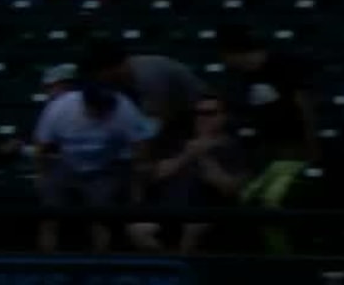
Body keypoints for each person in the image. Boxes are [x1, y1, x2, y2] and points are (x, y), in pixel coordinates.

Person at [217, 25, 320, 253]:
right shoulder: (245, 78)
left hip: (294, 149)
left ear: (233, 53)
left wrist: (312, 148)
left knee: (274, 202)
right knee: (248, 200)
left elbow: (305, 107)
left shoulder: (284, 66)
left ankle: (287, 258)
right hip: (266, 151)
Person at [33, 82, 154, 252]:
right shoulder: (60, 108)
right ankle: (45, 263)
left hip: (104, 167)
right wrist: (40, 174)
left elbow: (141, 145)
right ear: (85, 103)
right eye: (97, 108)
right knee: (49, 217)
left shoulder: (123, 108)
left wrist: (138, 178)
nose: (102, 113)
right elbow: (41, 146)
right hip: (67, 163)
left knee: (100, 219)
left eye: (106, 107)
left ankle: (101, 266)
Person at [128, 93, 248, 254]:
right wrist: (187, 155)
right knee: (137, 230)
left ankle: (184, 266)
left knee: (193, 229)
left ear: (223, 117)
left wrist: (204, 157)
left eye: (209, 113)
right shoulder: (178, 143)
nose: (202, 118)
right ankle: (167, 263)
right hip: (167, 210)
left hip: (206, 212)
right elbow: (156, 175)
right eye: (198, 113)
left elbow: (228, 187)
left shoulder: (232, 147)